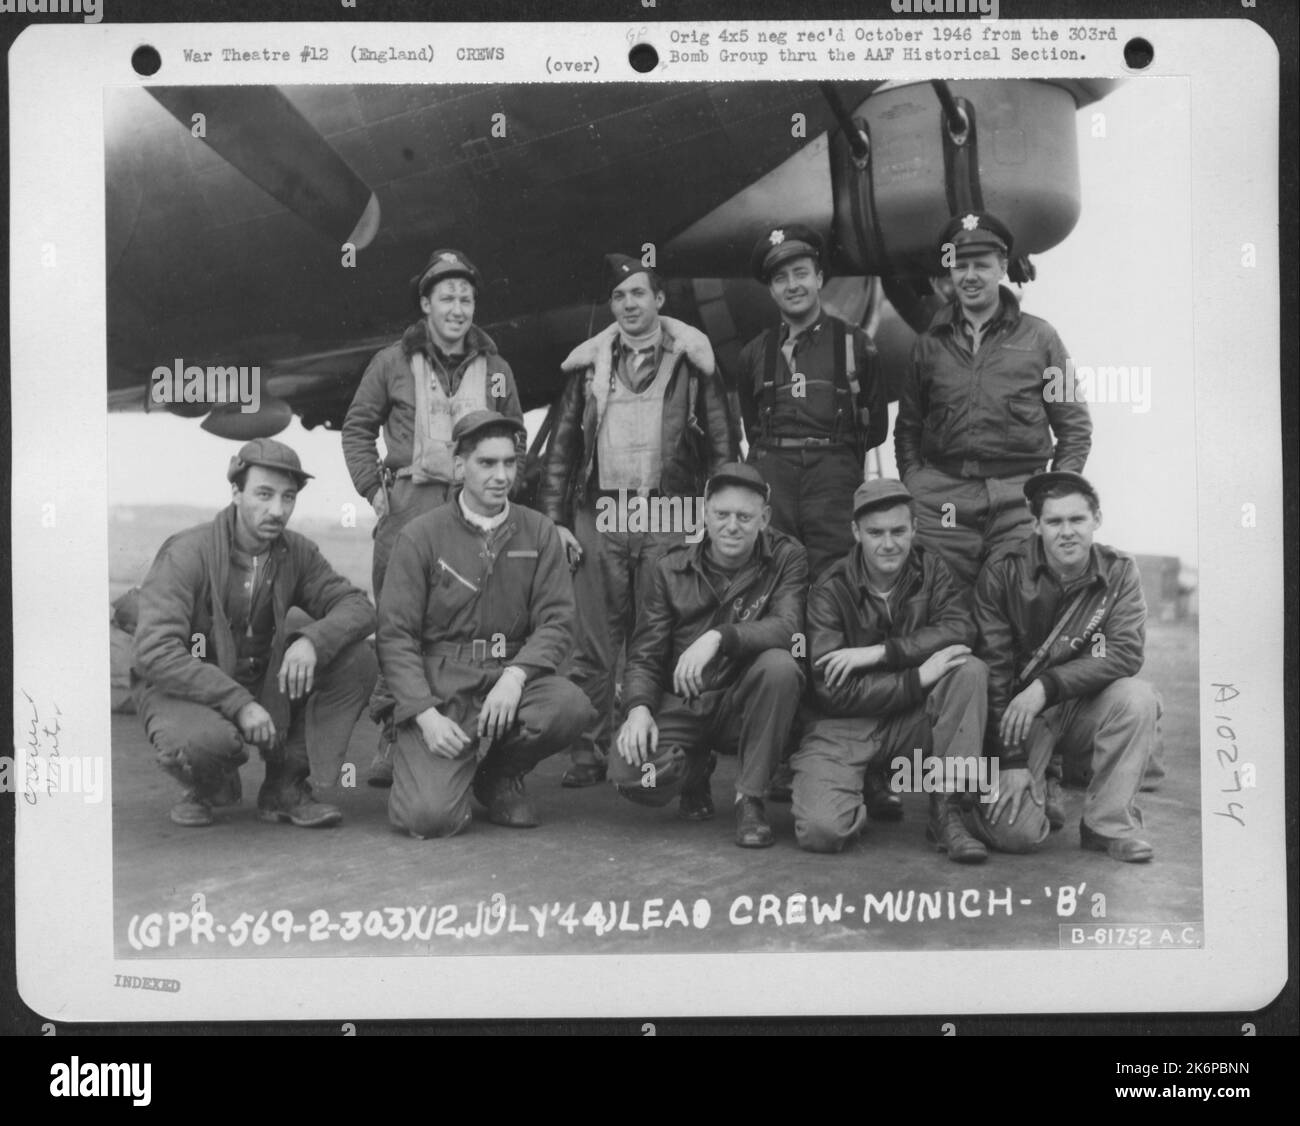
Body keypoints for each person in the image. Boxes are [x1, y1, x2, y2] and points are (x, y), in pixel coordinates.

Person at [539, 254, 735, 789]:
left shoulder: (695, 364)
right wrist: (556, 520)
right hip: (600, 515)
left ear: (660, 300)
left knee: (661, 638)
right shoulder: (589, 366)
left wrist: (711, 519)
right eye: (620, 297)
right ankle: (587, 751)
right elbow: (562, 449)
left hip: (669, 516)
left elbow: (722, 446)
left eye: (639, 294)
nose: (629, 304)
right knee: (593, 642)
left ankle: (664, 750)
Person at [342, 249, 524, 786]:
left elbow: (514, 438)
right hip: (409, 507)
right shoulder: (390, 363)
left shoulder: (496, 369)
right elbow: (357, 429)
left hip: (472, 512)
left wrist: (501, 491)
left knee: (468, 618)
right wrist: (374, 492)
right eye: (446, 297)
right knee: (400, 621)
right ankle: (393, 734)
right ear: (426, 304)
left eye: (466, 298)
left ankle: (474, 737)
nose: (458, 307)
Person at [132, 439, 377, 828]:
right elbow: (155, 652)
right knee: (202, 743)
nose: (277, 510)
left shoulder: (297, 553)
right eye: (263, 494)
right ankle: (207, 783)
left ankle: (286, 785)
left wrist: (314, 642)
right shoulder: (187, 553)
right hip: (188, 688)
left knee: (358, 659)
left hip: (259, 683)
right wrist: (238, 703)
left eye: (288, 497)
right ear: (235, 492)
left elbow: (358, 607)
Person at [377, 410, 595, 838]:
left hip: (507, 680)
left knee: (568, 707)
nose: (501, 475)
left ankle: (495, 775)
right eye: (487, 463)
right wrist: (424, 715)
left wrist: (516, 677)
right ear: (459, 467)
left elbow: (557, 621)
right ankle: (430, 762)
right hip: (442, 689)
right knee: (428, 819)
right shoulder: (420, 536)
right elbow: (395, 636)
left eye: (510, 463)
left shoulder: (539, 532)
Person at [790, 479, 989, 862]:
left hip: (907, 722)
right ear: (855, 533)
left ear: (915, 529)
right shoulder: (830, 588)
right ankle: (859, 783)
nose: (889, 544)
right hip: (842, 726)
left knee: (968, 670)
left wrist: (881, 653)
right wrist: (917, 677)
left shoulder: (932, 570)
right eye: (875, 533)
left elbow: (962, 629)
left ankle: (947, 811)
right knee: (821, 831)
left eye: (899, 531)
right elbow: (834, 693)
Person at [612, 463, 807, 848]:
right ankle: (693, 769)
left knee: (781, 667)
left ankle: (749, 799)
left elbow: (790, 628)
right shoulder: (668, 566)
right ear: (704, 512)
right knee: (630, 771)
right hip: (686, 702)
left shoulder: (788, 557)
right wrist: (638, 708)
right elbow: (645, 652)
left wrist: (720, 636)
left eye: (744, 517)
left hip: (743, 702)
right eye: (721, 514)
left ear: (764, 518)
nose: (732, 526)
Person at [969, 471, 1159, 862]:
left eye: (1077, 520)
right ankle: (973, 801)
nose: (1067, 532)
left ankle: (1109, 826)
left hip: (1074, 703)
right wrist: (1012, 760)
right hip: (1018, 716)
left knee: (1137, 698)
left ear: (1097, 519)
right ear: (1036, 524)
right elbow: (995, 667)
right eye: (1054, 522)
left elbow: (1124, 652)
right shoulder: (1003, 569)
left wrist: (1047, 686)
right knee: (1016, 835)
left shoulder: (1119, 570)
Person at [894, 212, 1092, 588]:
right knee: (943, 606)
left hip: (1018, 497)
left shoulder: (1040, 338)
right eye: (960, 265)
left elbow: (1075, 426)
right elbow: (908, 428)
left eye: (981, 265)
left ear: (1002, 267)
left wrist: (1053, 493)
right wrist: (917, 484)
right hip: (944, 499)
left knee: (1014, 604)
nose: (970, 276)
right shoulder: (929, 344)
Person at [736, 223, 888, 580]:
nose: (793, 285)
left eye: (801, 273)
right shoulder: (753, 354)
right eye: (781, 278)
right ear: (771, 290)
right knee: (773, 577)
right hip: (775, 478)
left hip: (833, 480)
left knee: (835, 581)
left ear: (819, 279)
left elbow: (876, 427)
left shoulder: (856, 344)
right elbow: (752, 428)